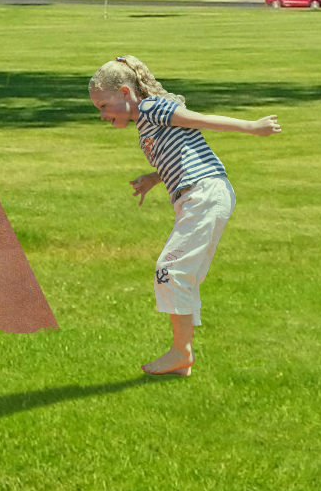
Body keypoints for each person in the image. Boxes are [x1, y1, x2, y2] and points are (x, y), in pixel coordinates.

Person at [87, 54, 278, 377]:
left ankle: (181, 352)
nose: (102, 115)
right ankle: (182, 354)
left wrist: (252, 127)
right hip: (198, 196)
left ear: (125, 92)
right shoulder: (146, 124)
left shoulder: (151, 108)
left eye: (103, 106)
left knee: (170, 269)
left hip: (203, 193)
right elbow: (178, 153)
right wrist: (153, 178)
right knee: (180, 273)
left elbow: (199, 120)